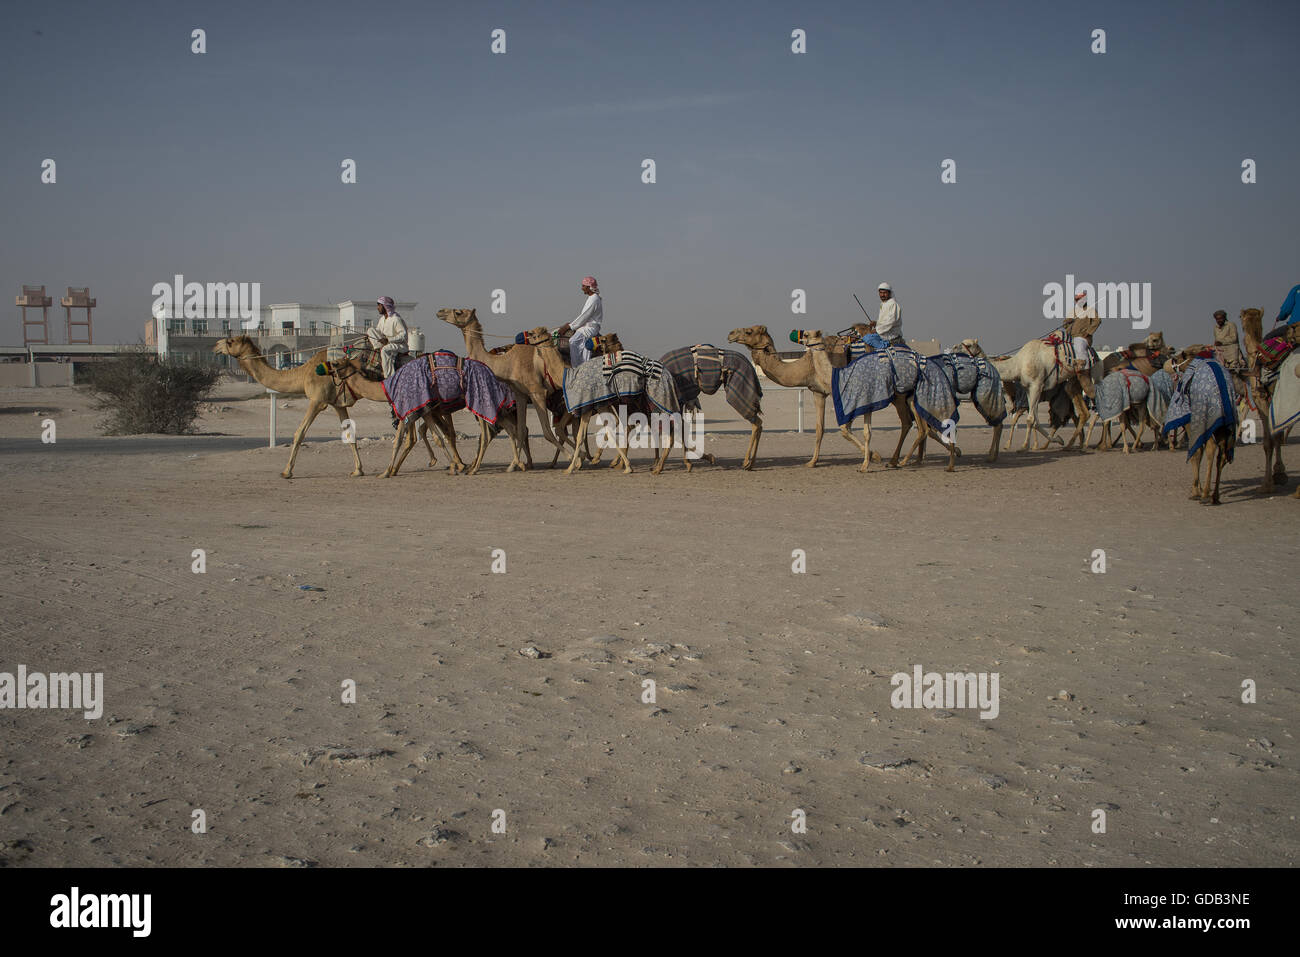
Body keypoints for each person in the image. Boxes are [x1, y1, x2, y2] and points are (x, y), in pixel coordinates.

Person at [557, 276, 603, 365]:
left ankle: (577, 367)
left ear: (589, 287)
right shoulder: (592, 298)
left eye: (583, 286)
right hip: (586, 326)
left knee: (573, 341)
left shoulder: (594, 299)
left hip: (589, 328)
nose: (582, 288)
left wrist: (568, 326)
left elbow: (584, 316)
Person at [367, 296, 409, 378]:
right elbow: (378, 331)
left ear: (385, 306)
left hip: (399, 345)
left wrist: (388, 340)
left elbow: (403, 336)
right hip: (386, 343)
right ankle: (378, 348)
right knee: (370, 330)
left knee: (385, 350)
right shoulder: (382, 319)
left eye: (379, 305)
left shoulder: (396, 319)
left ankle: (389, 377)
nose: (377, 308)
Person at [1063, 290, 1101, 370]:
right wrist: (1068, 321)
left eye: (1079, 299)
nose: (1077, 301)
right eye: (1076, 300)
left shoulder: (1090, 310)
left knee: (1079, 344)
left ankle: (1085, 370)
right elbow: (1065, 324)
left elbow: (1097, 321)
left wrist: (1088, 332)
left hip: (1082, 337)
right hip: (1070, 337)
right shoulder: (1073, 311)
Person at [870, 282, 903, 346]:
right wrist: (876, 323)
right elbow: (884, 321)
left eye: (884, 293)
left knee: (868, 339)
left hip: (891, 335)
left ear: (889, 293)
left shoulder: (893, 304)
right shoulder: (883, 304)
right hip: (883, 333)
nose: (882, 295)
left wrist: (877, 329)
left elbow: (890, 322)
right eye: (881, 293)